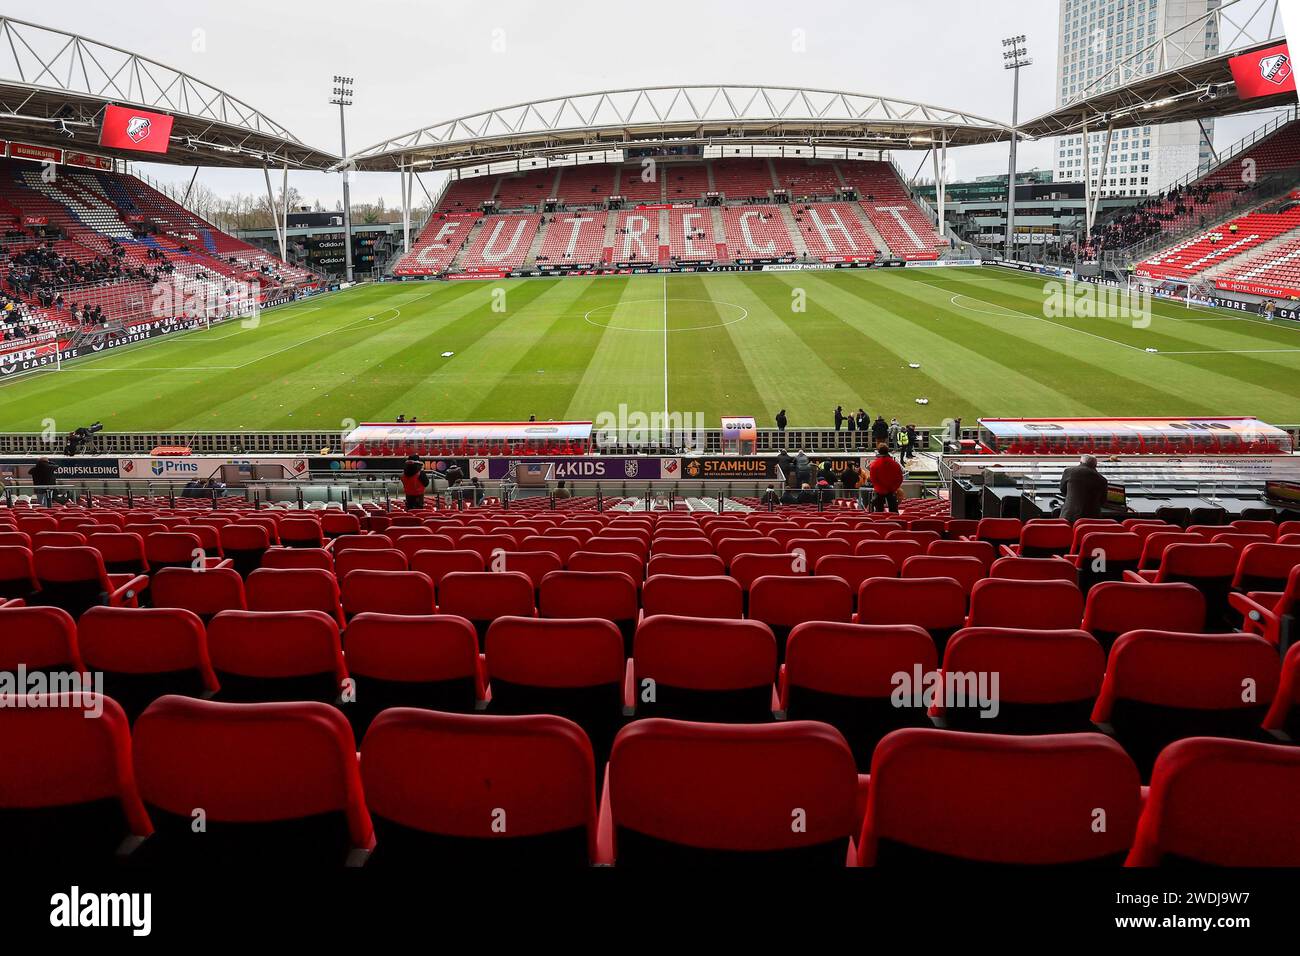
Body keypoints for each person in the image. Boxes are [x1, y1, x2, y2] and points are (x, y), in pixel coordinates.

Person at [1059, 454, 1108, 523]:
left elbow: (1063, 489)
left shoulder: (1069, 472)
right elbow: (1103, 501)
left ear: (1080, 462)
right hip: (1092, 518)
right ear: (1095, 465)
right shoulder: (1102, 480)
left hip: (1069, 515)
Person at [868, 443, 904, 513]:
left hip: (879, 491)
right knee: (893, 511)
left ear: (878, 451)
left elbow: (873, 479)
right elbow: (900, 478)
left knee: (879, 512)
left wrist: (878, 487)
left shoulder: (874, 464)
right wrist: (894, 488)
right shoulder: (895, 464)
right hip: (891, 490)